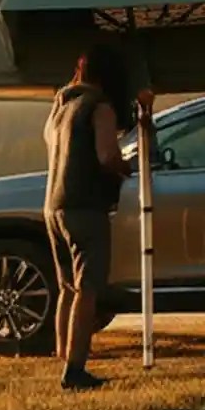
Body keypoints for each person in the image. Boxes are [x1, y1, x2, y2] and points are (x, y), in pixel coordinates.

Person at [43, 43, 151, 390]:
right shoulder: (99, 106)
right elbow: (106, 155)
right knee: (88, 289)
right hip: (85, 206)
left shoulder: (60, 106)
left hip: (53, 206)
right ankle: (75, 370)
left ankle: (63, 355)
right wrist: (126, 167)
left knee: (66, 287)